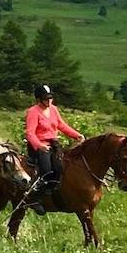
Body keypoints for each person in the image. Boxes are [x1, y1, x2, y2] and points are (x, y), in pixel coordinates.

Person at [24, 84, 84, 212]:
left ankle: (53, 193)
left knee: (60, 167)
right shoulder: (33, 112)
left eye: (50, 98)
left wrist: (76, 135)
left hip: (53, 144)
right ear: (39, 99)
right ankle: (35, 197)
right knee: (47, 170)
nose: (49, 100)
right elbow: (30, 133)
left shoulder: (54, 109)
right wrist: (39, 146)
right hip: (39, 145)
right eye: (46, 98)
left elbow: (62, 125)